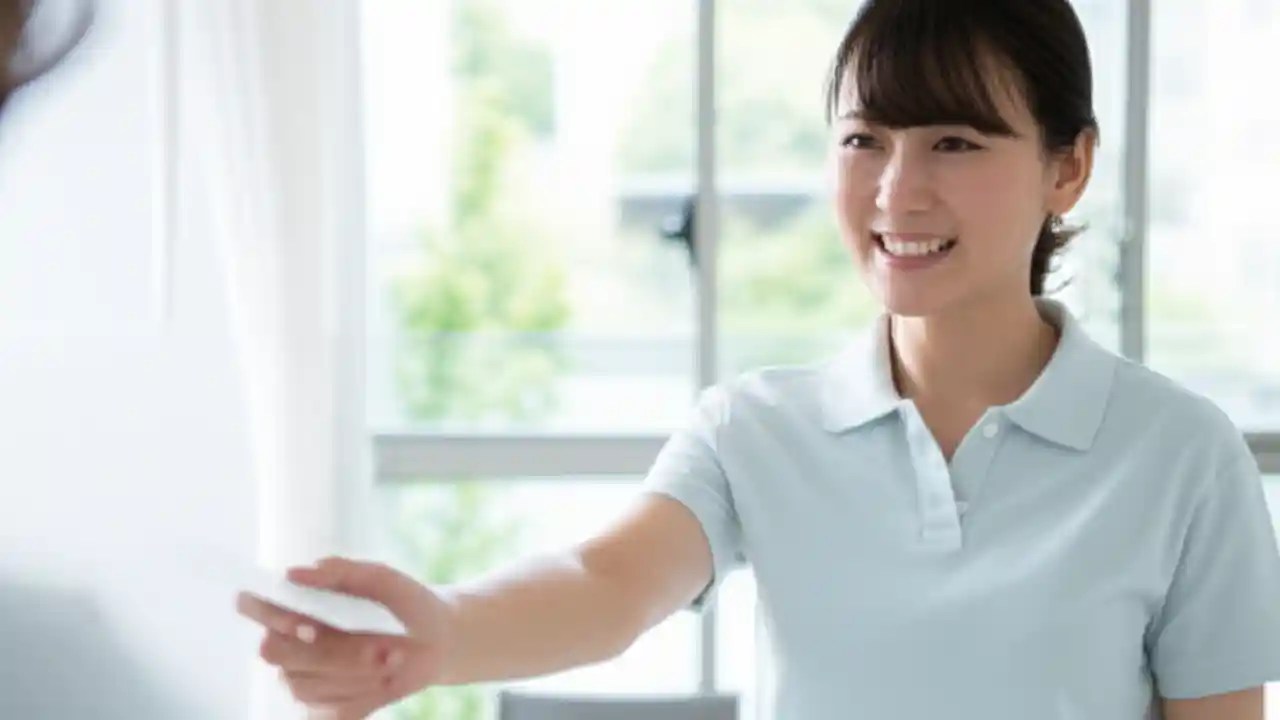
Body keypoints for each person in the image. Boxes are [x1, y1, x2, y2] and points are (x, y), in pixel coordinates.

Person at [236, 1, 1280, 718]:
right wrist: (443, 636)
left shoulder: (1180, 458)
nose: (895, 191)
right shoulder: (753, 431)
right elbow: (603, 584)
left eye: (954, 142)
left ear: (1068, 166)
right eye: (863, 138)